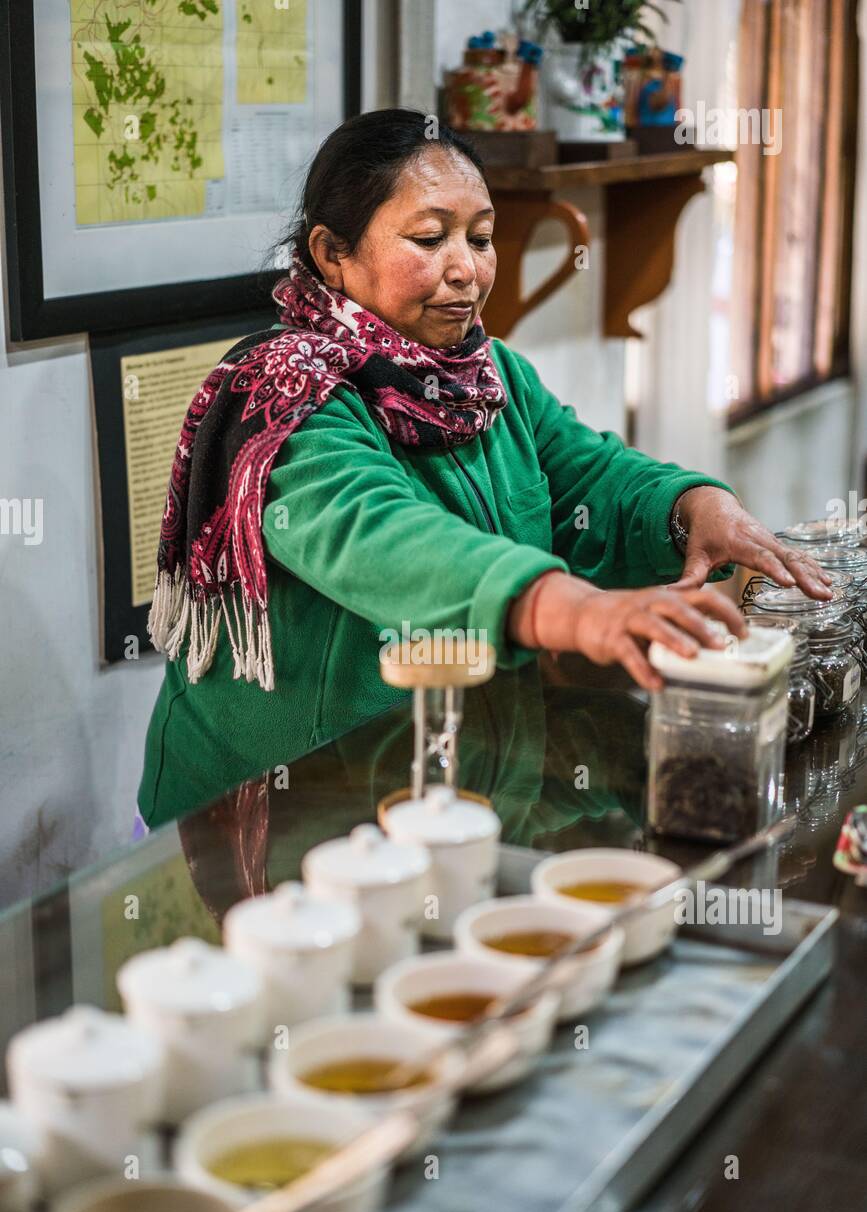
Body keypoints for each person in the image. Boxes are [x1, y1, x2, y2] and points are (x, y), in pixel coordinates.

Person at [137, 109, 832, 830]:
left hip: (453, 785)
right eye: (429, 238)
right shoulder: (281, 397)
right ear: (332, 253)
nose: (466, 268)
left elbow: (585, 477)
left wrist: (690, 506)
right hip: (282, 818)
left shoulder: (488, 375)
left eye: (480, 237)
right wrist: (573, 608)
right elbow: (389, 543)